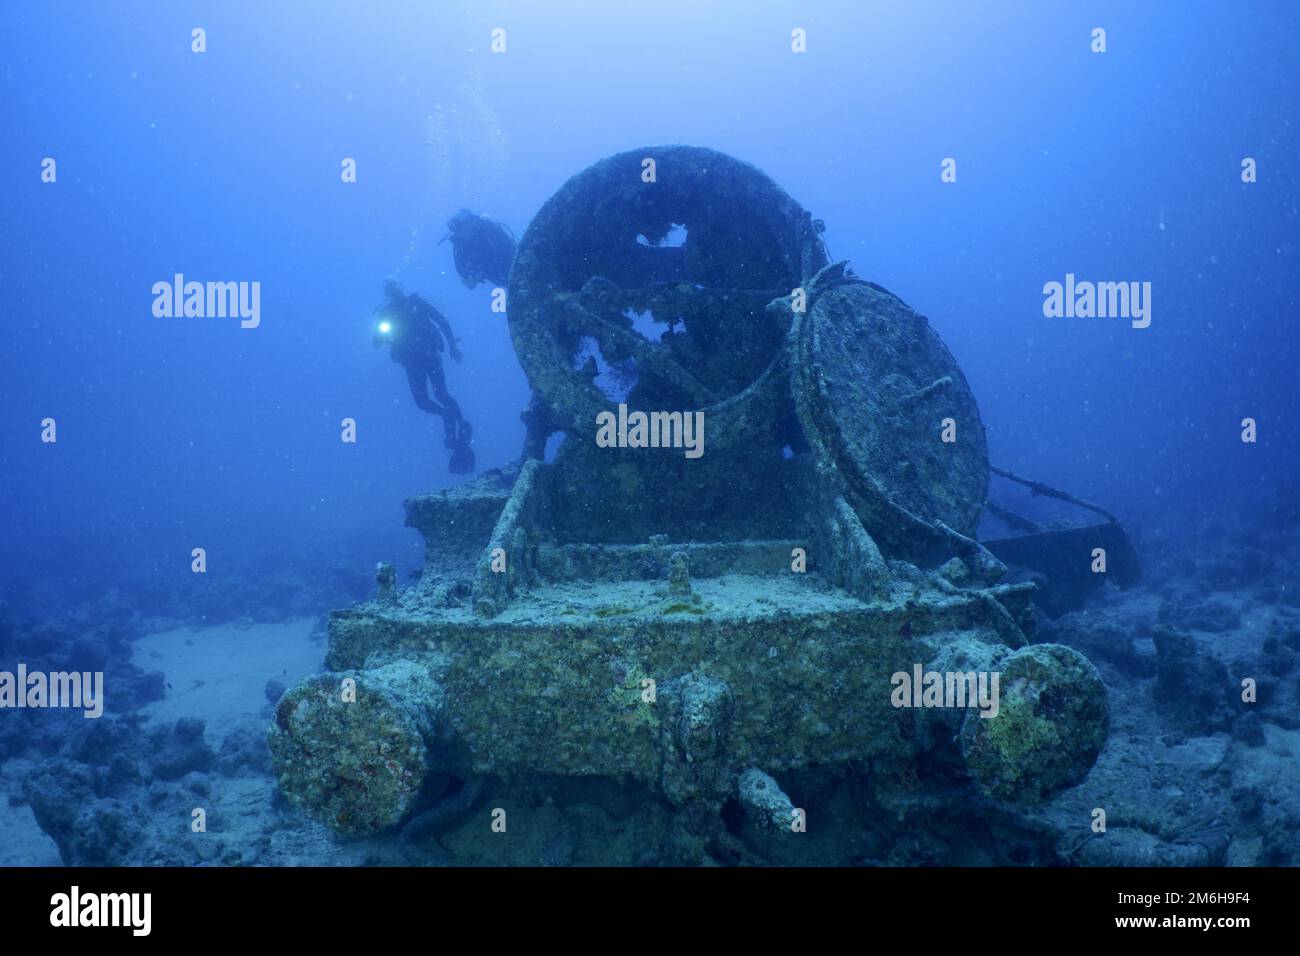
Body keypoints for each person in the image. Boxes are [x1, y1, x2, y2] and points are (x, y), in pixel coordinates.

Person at [373, 277, 475, 474]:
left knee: (441, 395)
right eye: (389, 289)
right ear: (387, 294)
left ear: (400, 287)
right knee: (422, 401)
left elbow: (441, 320)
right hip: (412, 361)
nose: (393, 290)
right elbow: (379, 336)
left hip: (428, 356)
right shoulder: (386, 313)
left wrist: (453, 344)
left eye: (395, 286)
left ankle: (461, 422)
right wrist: (378, 338)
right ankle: (447, 415)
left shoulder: (417, 303)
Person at [440, 209, 517, 289]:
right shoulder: (459, 243)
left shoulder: (488, 230)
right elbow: (461, 271)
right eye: (456, 231)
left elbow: (507, 251)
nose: (459, 234)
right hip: (500, 279)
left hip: (512, 266)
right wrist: (471, 279)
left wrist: (480, 274)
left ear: (471, 223)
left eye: (461, 228)